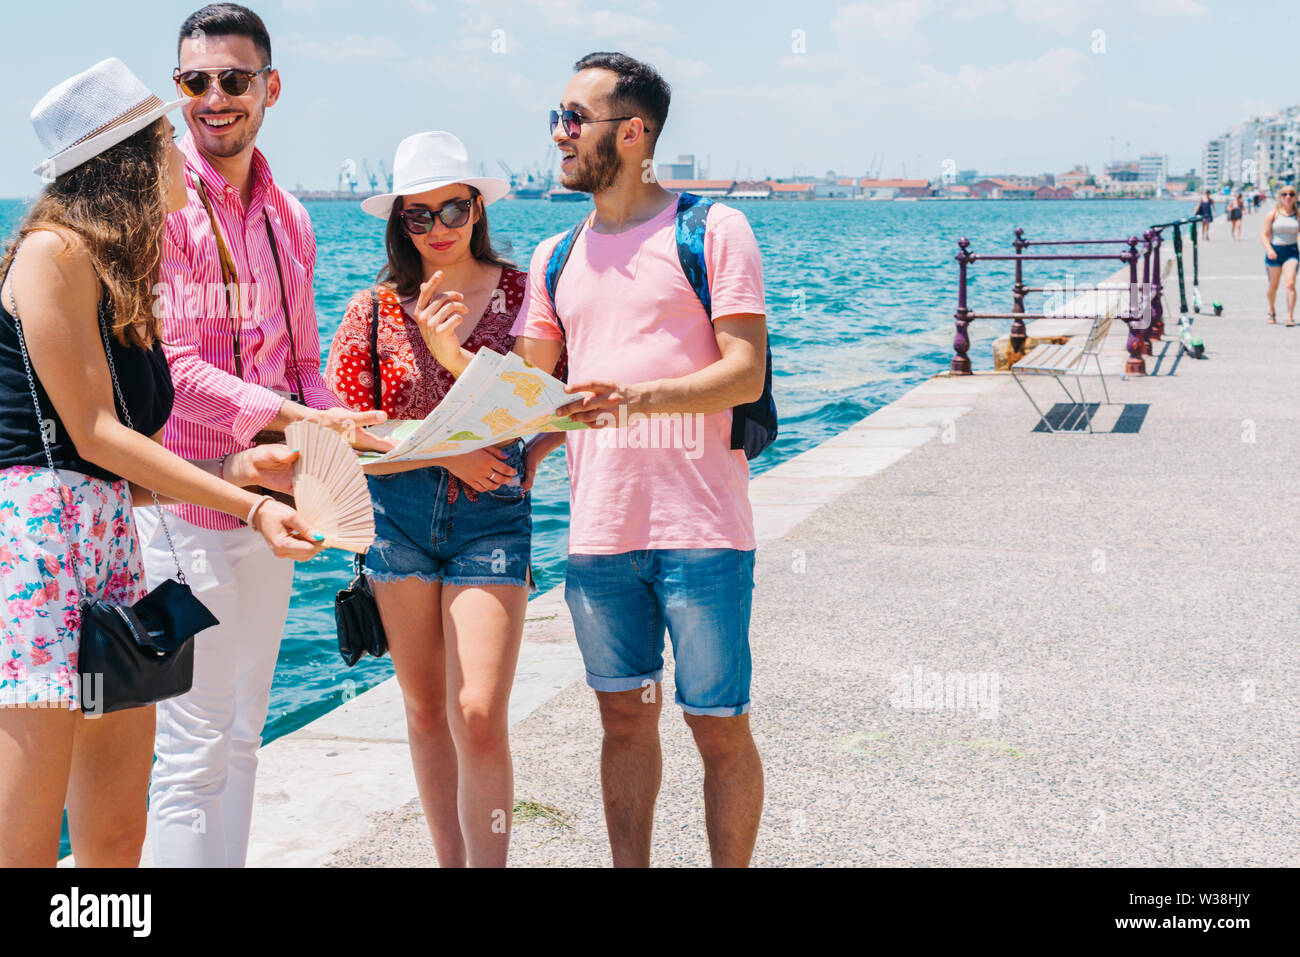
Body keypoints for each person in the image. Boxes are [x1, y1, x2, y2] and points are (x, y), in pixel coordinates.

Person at [427, 53, 769, 867]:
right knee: (622, 720)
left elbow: (744, 368)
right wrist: (448, 353)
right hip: (600, 536)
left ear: (634, 130)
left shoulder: (713, 230)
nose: (558, 134)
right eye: (557, 116)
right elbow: (524, 389)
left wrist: (635, 400)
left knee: (718, 726)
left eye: (574, 118)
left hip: (705, 531)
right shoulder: (554, 255)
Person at [0, 58, 324, 868]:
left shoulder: (118, 274)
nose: (182, 152)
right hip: (32, 560)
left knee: (116, 834)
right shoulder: (53, 251)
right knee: (27, 844)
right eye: (164, 139)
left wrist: (239, 475)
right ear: (127, 161)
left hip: (107, 543)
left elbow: (106, 465)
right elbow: (96, 430)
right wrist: (246, 507)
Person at [139, 3, 390, 868]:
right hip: (181, 502)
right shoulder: (162, 208)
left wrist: (338, 427)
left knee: (243, 732)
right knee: (192, 747)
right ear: (178, 93)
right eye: (194, 81)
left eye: (233, 79)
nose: (214, 97)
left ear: (270, 88)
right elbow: (170, 367)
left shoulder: (291, 216)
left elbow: (304, 361)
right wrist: (297, 415)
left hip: (271, 505)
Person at [325, 132, 539, 867]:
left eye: (455, 207)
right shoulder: (374, 310)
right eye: (420, 215)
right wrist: (448, 448)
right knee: (423, 709)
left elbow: (549, 404)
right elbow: (346, 433)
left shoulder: (521, 294)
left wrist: (532, 455)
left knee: (477, 712)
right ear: (400, 224)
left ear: (479, 206)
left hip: (492, 520)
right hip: (399, 516)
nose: (440, 226)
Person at [1262, 186, 1300, 326]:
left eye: (1291, 194)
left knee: (1290, 284)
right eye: (1285, 194)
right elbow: (1264, 235)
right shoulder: (1273, 214)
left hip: (1292, 252)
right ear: (1280, 197)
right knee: (1273, 286)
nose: (1288, 197)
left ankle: (1290, 316)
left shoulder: (1298, 215)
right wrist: (1269, 249)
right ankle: (1272, 311)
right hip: (1275, 251)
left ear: (1295, 197)